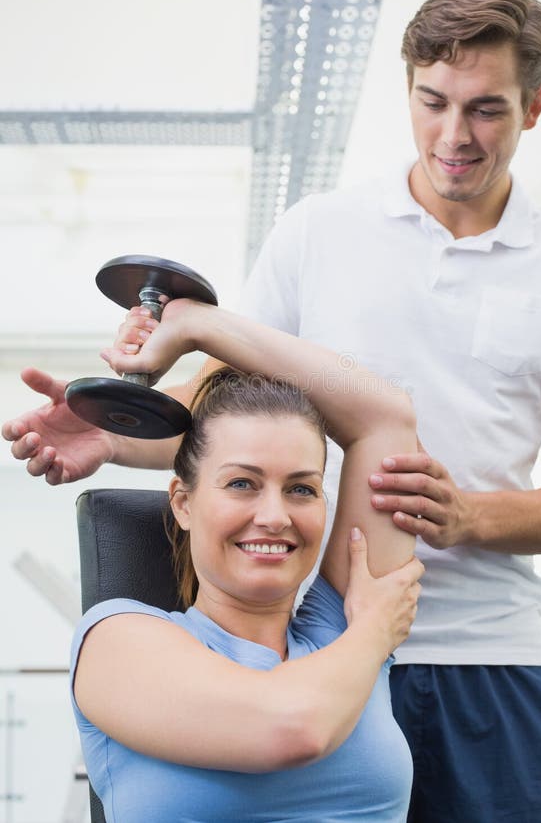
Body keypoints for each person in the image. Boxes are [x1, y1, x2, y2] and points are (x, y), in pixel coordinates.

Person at [4, 0, 541, 821]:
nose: (453, 134)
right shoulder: (320, 233)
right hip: (311, 634)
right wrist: (115, 432)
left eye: (487, 109)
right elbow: (233, 422)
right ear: (407, 89)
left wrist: (472, 519)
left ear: (535, 106)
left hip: (487, 655)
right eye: (432, 102)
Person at [71, 297, 424, 821]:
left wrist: (198, 326)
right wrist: (374, 635)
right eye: (242, 483)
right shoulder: (117, 640)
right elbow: (292, 730)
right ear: (183, 503)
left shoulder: (338, 629)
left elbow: (387, 416)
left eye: (302, 489)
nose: (275, 516)